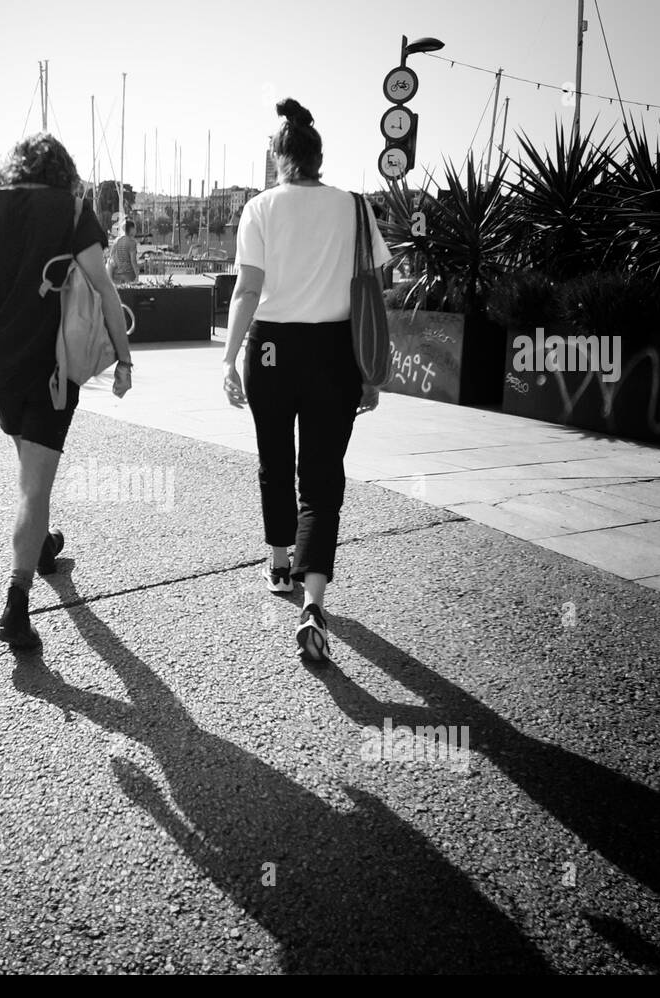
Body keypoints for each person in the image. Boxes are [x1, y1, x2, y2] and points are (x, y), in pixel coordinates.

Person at [221, 98, 391, 664]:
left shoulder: (260, 209)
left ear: (278, 157)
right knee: (320, 478)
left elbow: (246, 290)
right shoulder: (355, 208)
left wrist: (227, 360)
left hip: (270, 347)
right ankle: (313, 601)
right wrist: (369, 372)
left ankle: (278, 564)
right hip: (335, 352)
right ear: (320, 157)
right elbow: (371, 291)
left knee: (275, 458)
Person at [0, 133, 134, 652]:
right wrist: (124, 358)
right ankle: (16, 602)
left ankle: (43, 547)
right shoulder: (73, 211)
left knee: (32, 471)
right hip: (52, 371)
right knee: (34, 489)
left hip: (1, 371)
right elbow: (104, 288)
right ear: (62, 169)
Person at [109, 218, 141, 283]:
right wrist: (137, 275)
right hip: (128, 275)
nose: (136, 231)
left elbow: (111, 257)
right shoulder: (132, 242)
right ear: (131, 229)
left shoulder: (116, 241)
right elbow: (133, 261)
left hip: (116, 275)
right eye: (135, 228)